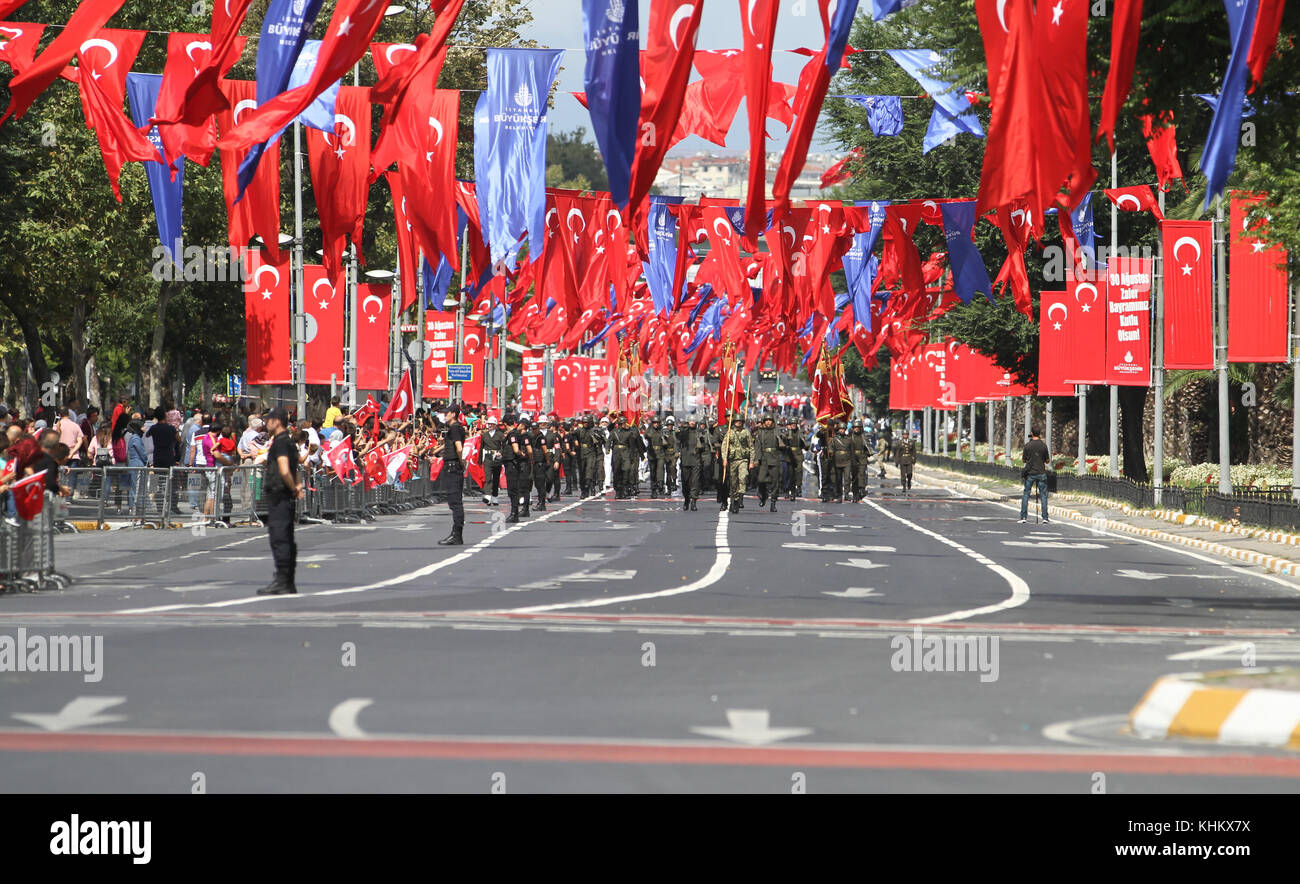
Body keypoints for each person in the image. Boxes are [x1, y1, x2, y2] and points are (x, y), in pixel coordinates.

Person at [258, 408, 302, 595]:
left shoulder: (281, 443)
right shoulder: (289, 442)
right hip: (285, 496)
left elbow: (284, 469)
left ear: (277, 421)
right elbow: (296, 466)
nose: (266, 423)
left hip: (280, 496)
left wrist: (293, 488)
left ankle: (283, 581)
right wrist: (298, 486)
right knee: (286, 538)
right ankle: (287, 581)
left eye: (268, 420)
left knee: (279, 538)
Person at [438, 408, 466, 545]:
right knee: (455, 501)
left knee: (455, 502)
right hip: (454, 466)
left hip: (453, 466)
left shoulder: (455, 428)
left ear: (453, 414)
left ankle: (457, 534)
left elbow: (459, 448)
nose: (445, 415)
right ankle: (456, 533)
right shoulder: (457, 428)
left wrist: (461, 462)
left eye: (447, 413)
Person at [720, 416, 752, 514]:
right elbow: (724, 447)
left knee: (743, 477)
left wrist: (752, 461)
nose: (738, 423)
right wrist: (724, 459)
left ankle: (740, 499)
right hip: (733, 460)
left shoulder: (746, 432)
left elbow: (751, 447)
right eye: (737, 421)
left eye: (740, 421)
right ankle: (734, 500)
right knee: (733, 483)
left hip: (743, 460)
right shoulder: (730, 433)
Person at [752, 414, 784, 512]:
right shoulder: (760, 433)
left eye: (770, 420)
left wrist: (782, 437)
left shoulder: (777, 431)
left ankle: (773, 502)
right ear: (764, 422)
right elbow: (757, 447)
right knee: (761, 480)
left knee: (775, 482)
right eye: (767, 420)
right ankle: (764, 495)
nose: (768, 422)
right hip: (764, 459)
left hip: (775, 458)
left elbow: (784, 443)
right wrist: (756, 459)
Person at [1019, 427, 1051, 524]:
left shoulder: (1028, 445)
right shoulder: (1043, 445)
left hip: (1030, 474)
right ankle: (1045, 517)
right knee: (1043, 496)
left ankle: (1023, 517)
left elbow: (1023, 460)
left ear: (1032, 433)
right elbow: (1047, 460)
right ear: (1039, 434)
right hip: (1041, 473)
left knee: (1026, 494)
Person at [675, 415, 706, 511]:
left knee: (695, 482)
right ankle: (686, 499)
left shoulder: (699, 433)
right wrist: (676, 452)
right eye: (690, 421)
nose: (692, 422)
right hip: (685, 460)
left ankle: (693, 501)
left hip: (696, 460)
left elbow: (704, 445)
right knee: (685, 482)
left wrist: (701, 446)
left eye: (694, 421)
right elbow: (677, 442)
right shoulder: (683, 432)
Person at [480, 415, 505, 505]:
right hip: (488, 458)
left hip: (497, 458)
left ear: (495, 425)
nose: (490, 426)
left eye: (492, 424)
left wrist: (500, 453)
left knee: (496, 479)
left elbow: (504, 446)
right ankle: (487, 495)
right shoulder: (484, 435)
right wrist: (479, 461)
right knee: (487, 477)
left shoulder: (500, 434)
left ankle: (495, 496)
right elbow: (481, 448)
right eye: (489, 424)